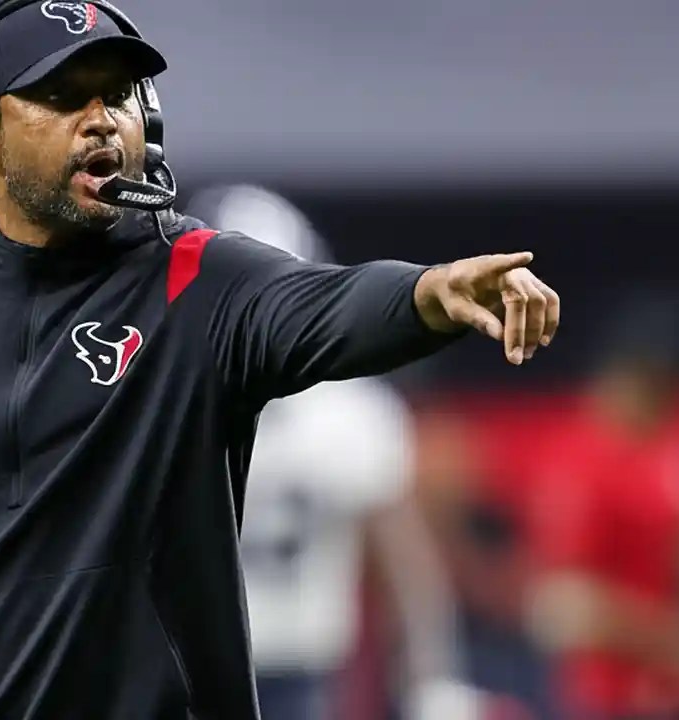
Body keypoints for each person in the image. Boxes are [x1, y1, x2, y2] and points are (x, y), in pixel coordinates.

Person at [0, 2, 561, 718]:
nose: (103, 121)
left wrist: (434, 291)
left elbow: (329, 305)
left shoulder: (195, 280)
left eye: (119, 95)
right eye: (65, 97)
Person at [186, 184, 480, 720]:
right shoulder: (149, 397)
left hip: (292, 670)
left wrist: (433, 677)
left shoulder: (350, 413)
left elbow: (404, 561)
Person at [523, 296, 679, 719]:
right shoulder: (581, 462)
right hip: (605, 698)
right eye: (651, 380)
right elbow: (560, 606)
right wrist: (672, 640)